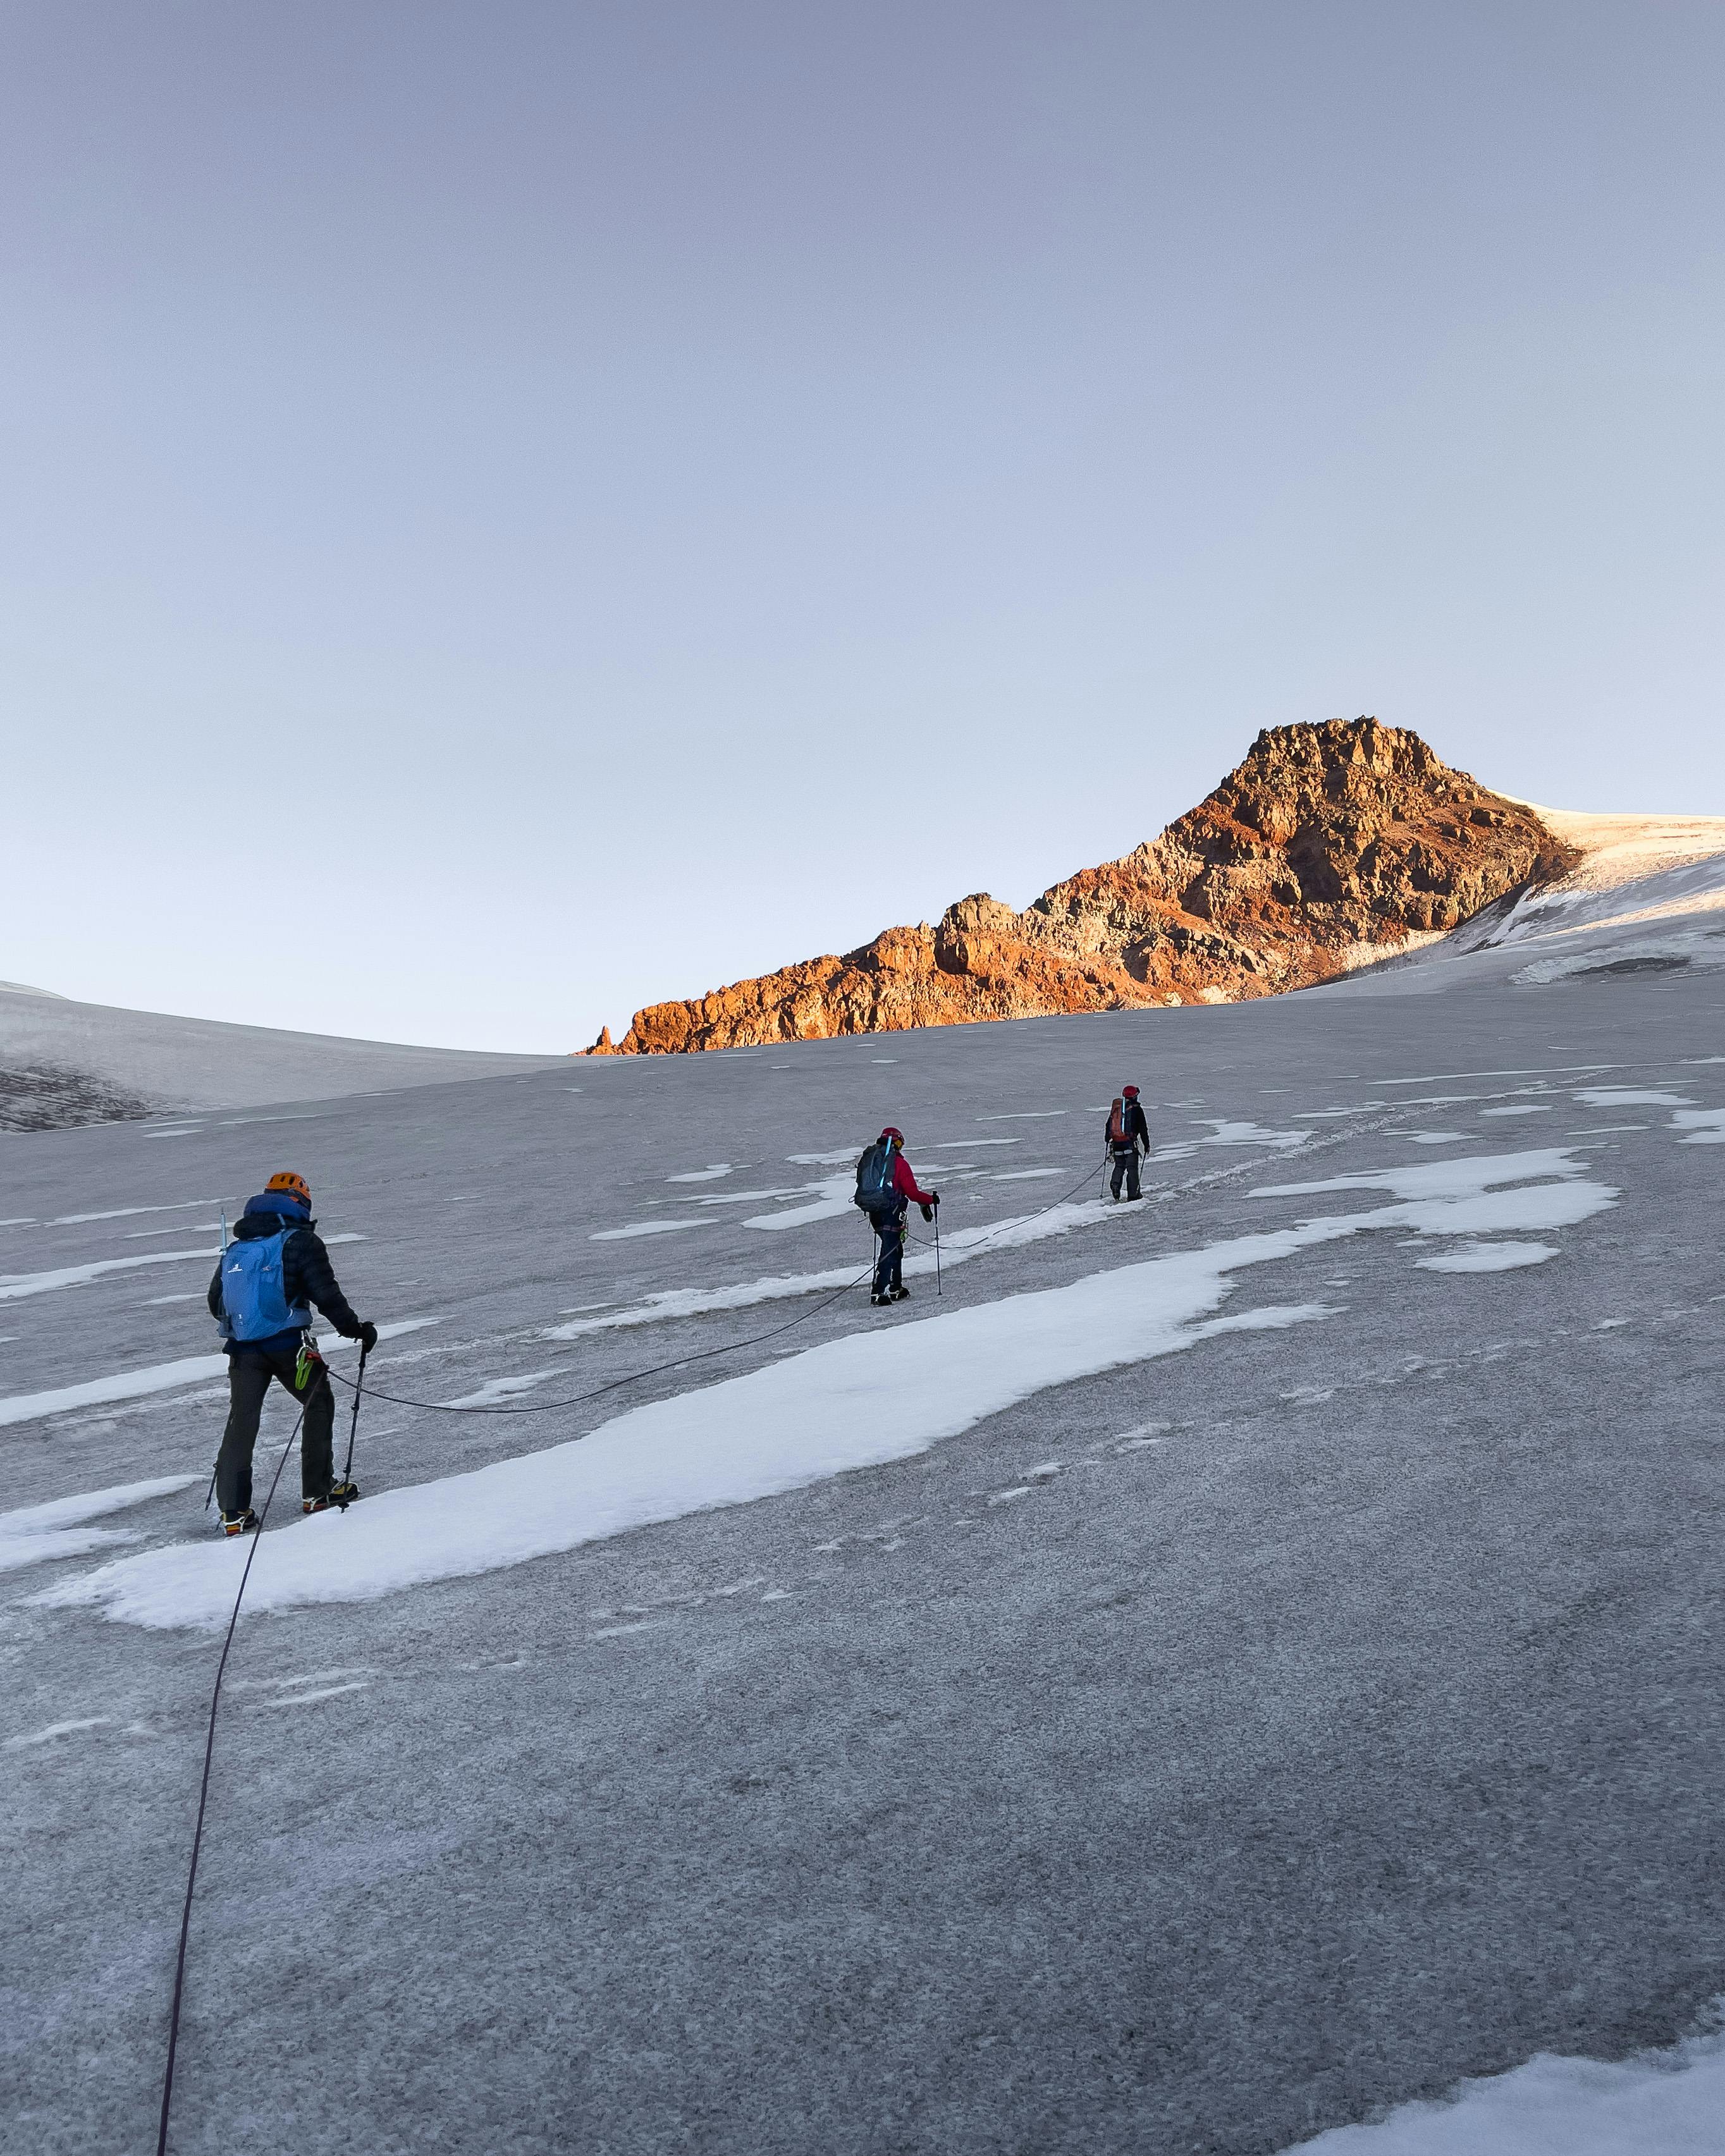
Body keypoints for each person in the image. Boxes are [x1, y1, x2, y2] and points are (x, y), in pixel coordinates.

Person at [206, 1172, 378, 1535]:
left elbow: (215, 1302)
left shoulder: (238, 1246)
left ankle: (233, 1512)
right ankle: (317, 1492)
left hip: (242, 1351)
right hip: (289, 1346)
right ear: (300, 1203)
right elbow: (325, 1293)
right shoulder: (301, 1241)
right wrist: (355, 1329)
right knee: (318, 1404)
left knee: (242, 1420)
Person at [853, 1126, 939, 1307]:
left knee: (895, 1249)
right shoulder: (899, 1163)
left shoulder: (872, 1161)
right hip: (891, 1213)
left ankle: (895, 1287)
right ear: (897, 1143)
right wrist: (931, 1200)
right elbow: (912, 1193)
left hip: (874, 1213)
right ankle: (879, 1292)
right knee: (890, 1250)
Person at [1105, 1084, 1150, 1201]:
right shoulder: (1137, 1109)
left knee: (1119, 1166)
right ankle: (1133, 1195)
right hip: (1130, 1144)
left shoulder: (1117, 1109)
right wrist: (1146, 1145)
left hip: (1117, 1144)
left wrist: (1108, 1139)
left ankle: (1115, 1184)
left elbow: (1108, 1126)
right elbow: (1143, 1129)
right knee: (1132, 1169)